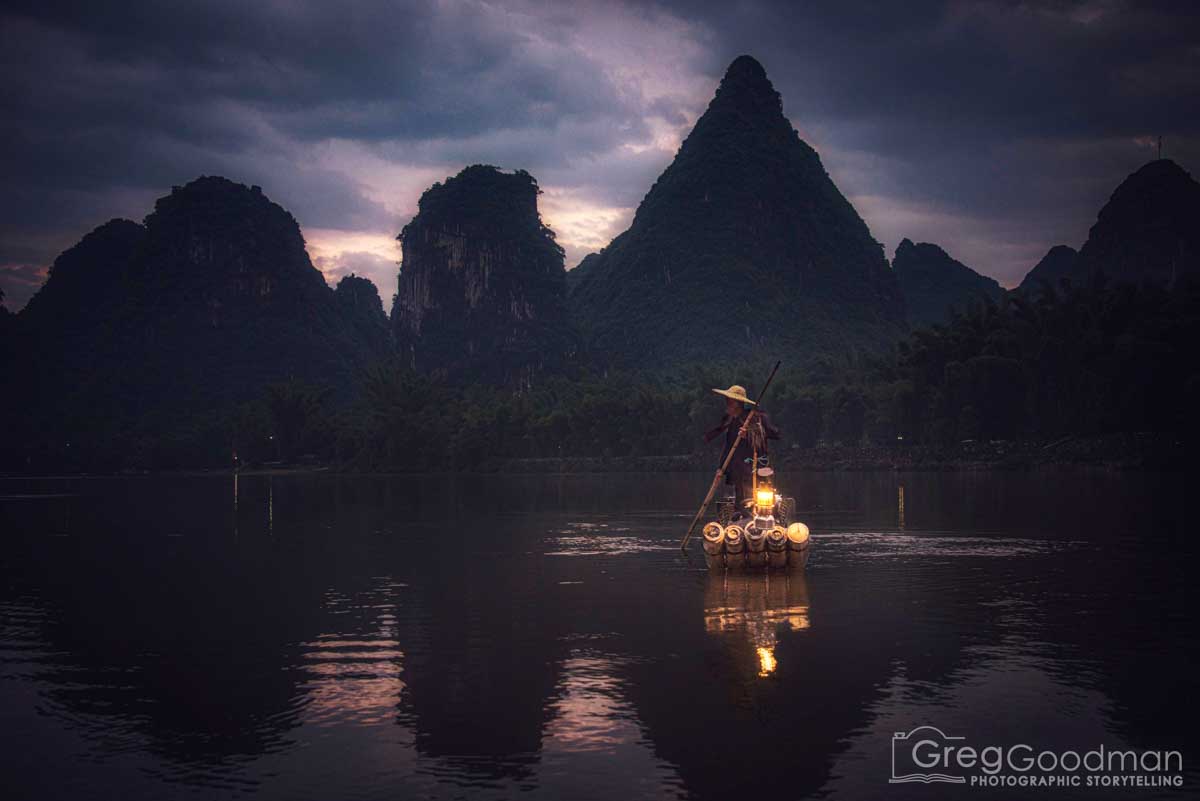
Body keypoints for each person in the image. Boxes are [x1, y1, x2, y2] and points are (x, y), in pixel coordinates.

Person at [704, 384, 781, 518]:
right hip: (738, 470)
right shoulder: (731, 421)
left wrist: (751, 433)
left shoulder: (756, 417)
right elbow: (729, 446)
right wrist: (721, 468)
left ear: (737, 403)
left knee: (760, 496)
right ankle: (741, 516)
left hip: (757, 467)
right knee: (741, 502)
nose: (727, 404)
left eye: (729, 401)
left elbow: (775, 434)